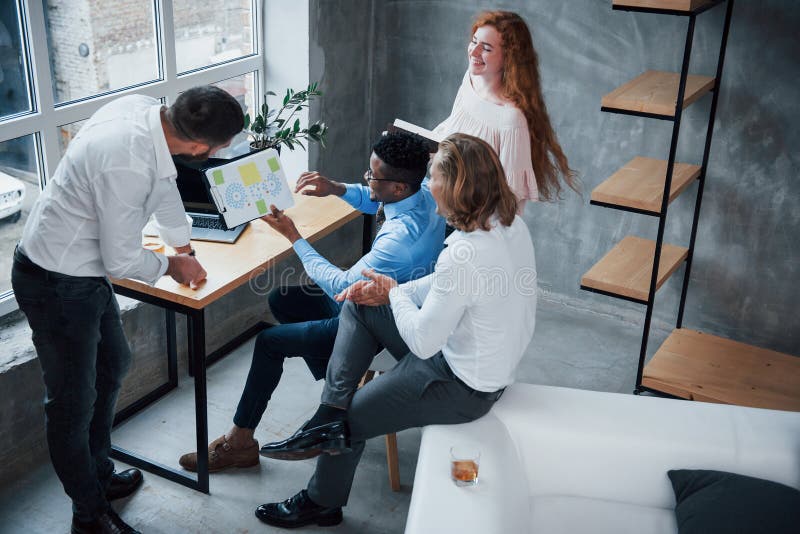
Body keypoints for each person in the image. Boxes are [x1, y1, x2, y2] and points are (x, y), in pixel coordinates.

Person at [256, 133, 538, 528]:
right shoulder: (505, 226)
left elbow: (423, 343)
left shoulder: (465, 252)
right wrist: (390, 292)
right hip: (470, 357)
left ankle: (321, 499)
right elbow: (438, 284)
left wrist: (392, 294)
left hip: (460, 384)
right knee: (358, 303)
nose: (429, 186)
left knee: (347, 424)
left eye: (434, 178)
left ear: (456, 187)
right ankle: (327, 411)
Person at [11, 86, 244, 534]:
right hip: (55, 279)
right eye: (222, 146)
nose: (223, 150)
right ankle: (88, 513)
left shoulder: (148, 114)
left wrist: (184, 244)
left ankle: (98, 476)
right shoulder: (126, 160)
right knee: (70, 405)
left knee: (113, 365)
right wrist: (172, 264)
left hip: (82, 272)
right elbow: (121, 263)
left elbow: (164, 186)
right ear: (199, 148)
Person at [177, 132, 445, 473]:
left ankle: (240, 442)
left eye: (372, 175)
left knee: (269, 342)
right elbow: (375, 199)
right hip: (382, 300)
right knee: (283, 299)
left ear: (398, 187)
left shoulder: (398, 241)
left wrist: (293, 237)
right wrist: (336, 188)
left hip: (374, 321)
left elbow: (338, 285)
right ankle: (341, 388)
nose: (367, 178)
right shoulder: (422, 193)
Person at [433, 10, 578, 212]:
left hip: (470, 220)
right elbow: (453, 127)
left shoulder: (511, 119)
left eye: (486, 48)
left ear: (509, 57)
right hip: (441, 201)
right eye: (474, 42)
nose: (474, 52)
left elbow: (511, 200)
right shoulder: (471, 79)